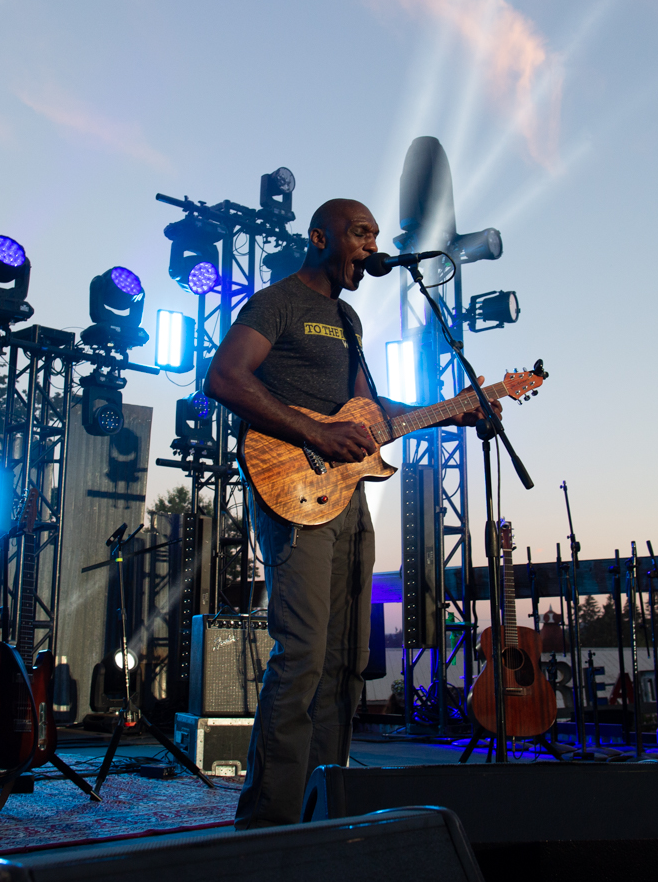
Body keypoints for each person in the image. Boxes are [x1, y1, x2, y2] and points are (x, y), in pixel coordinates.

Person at [206, 197, 495, 829]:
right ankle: (268, 822)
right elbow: (224, 379)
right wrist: (315, 432)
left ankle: (323, 809)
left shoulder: (348, 319)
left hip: (347, 496)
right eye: (360, 233)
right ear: (320, 237)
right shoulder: (277, 302)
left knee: (345, 660)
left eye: (375, 235)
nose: (371, 245)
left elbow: (368, 411)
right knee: (303, 654)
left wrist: (453, 409)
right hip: (293, 490)